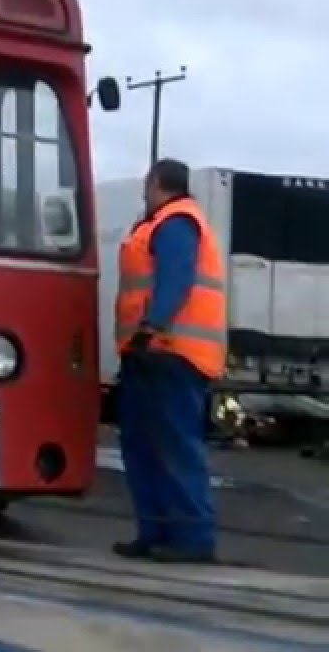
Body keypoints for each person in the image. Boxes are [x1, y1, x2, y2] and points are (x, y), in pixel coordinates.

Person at [111, 158, 226, 564]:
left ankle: (192, 537)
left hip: (172, 354)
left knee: (174, 446)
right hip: (150, 354)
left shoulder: (176, 222)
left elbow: (175, 279)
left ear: (157, 182)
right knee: (142, 445)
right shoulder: (158, 223)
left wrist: (151, 325)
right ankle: (156, 531)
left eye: (147, 183)